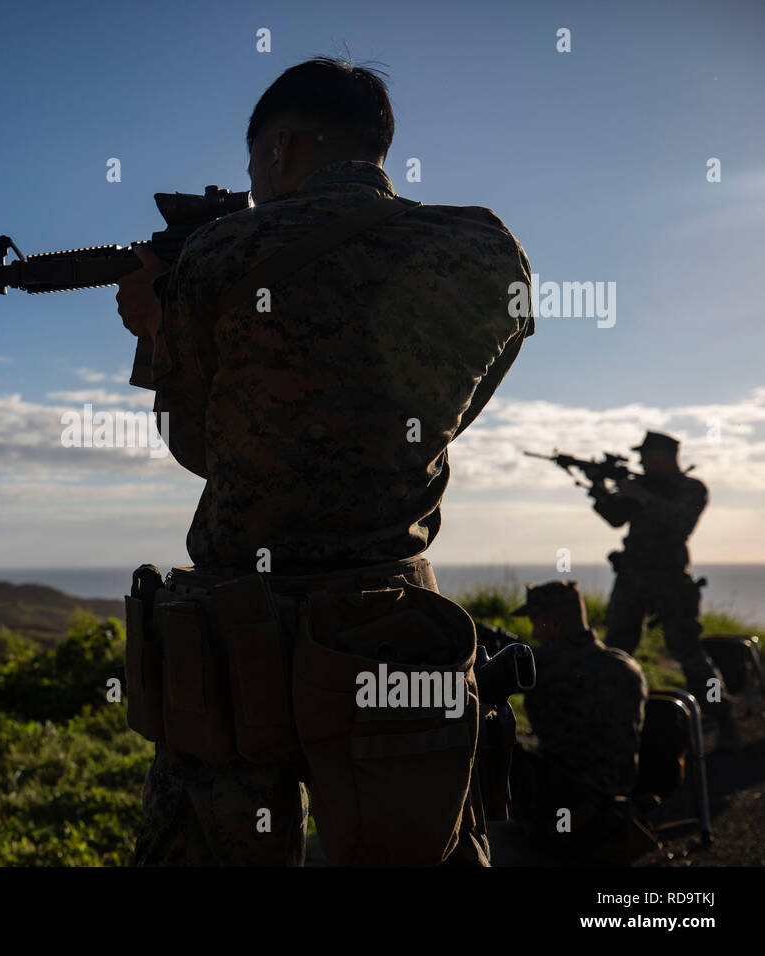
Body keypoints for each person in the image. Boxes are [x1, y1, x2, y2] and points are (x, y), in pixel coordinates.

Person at [115, 56, 535, 866]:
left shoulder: (220, 254)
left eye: (255, 166)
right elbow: (446, 419)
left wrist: (153, 331)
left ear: (282, 151)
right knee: (420, 845)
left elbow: (202, 449)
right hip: (400, 620)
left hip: (240, 631)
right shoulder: (487, 252)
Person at [589, 430, 740, 751]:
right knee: (617, 649)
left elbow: (682, 522)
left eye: (647, 453)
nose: (642, 459)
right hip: (631, 578)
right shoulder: (642, 485)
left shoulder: (691, 488)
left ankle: (722, 714)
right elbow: (616, 518)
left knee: (688, 652)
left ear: (665, 454)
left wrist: (640, 495)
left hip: (670, 580)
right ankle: (613, 721)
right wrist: (599, 489)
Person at [507, 581, 654, 864]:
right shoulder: (626, 665)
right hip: (617, 795)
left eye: (537, 623)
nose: (534, 633)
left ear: (555, 623)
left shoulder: (544, 665)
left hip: (566, 797)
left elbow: (487, 681)